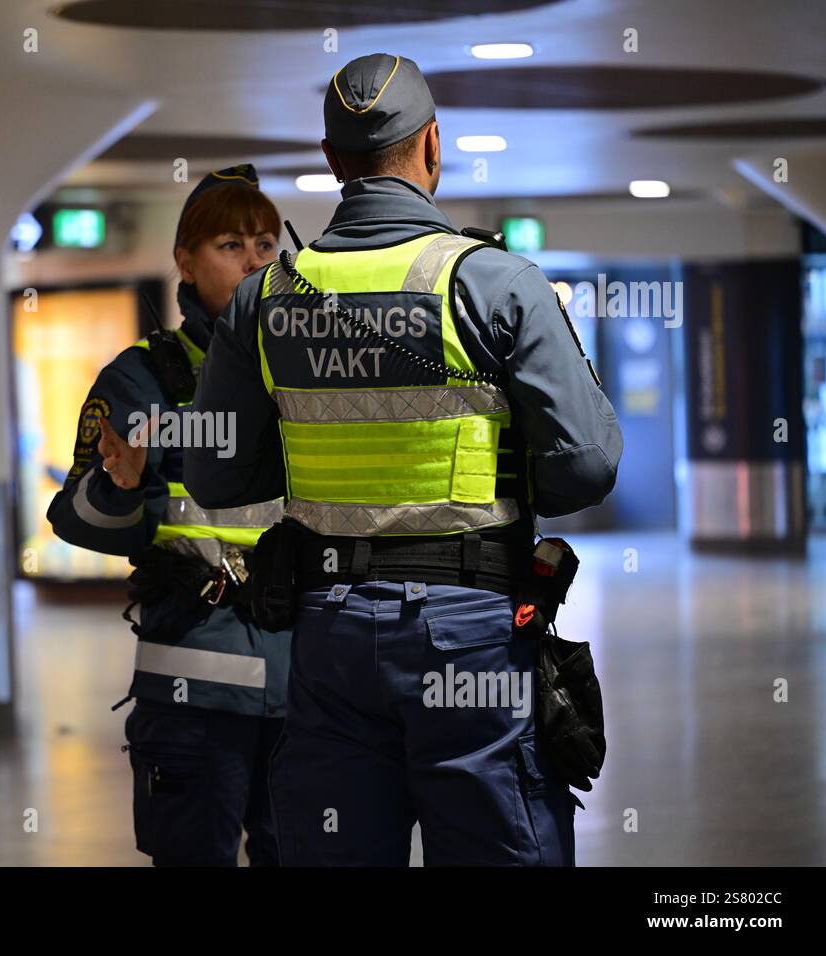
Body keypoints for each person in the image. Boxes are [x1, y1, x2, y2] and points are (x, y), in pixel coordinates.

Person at [183, 55, 623, 866]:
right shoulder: (495, 284)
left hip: (328, 635)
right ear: (432, 145)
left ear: (330, 160)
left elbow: (215, 476)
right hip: (471, 638)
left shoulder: (263, 301)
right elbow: (586, 470)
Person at [47, 165, 291, 866]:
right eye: (230, 245)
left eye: (265, 245)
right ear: (185, 260)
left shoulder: (304, 371)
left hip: (305, 685)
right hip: (196, 687)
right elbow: (76, 516)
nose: (253, 262)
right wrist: (120, 488)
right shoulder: (142, 378)